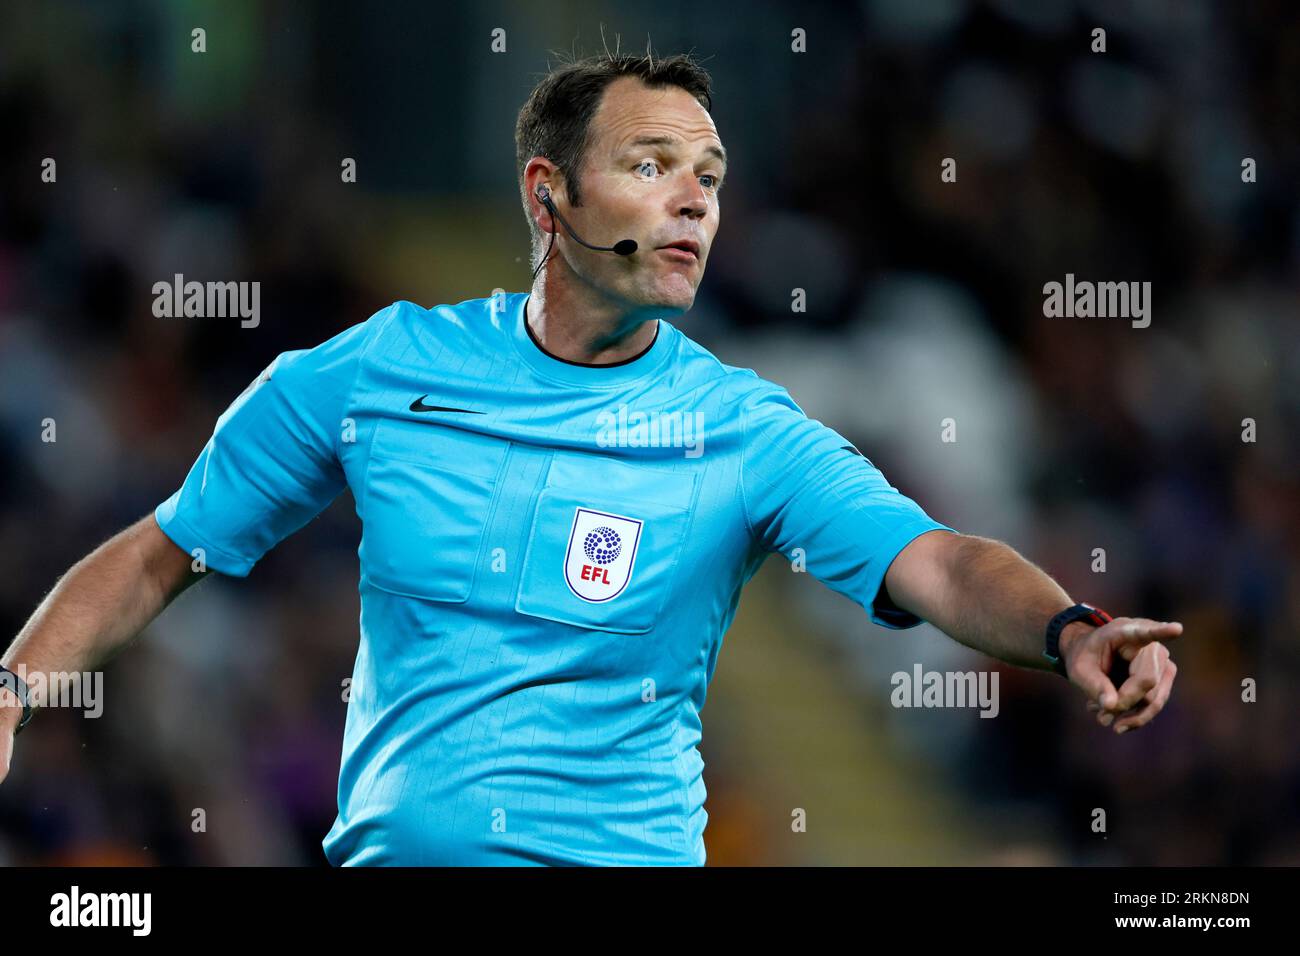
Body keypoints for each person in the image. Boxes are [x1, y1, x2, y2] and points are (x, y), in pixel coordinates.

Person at [0, 51, 1180, 865]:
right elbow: (162, 554)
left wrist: (1071, 626)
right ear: (549, 196)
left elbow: (939, 562)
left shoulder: (743, 429)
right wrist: (12, 687)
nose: (692, 207)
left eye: (709, 179)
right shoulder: (373, 371)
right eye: (653, 166)